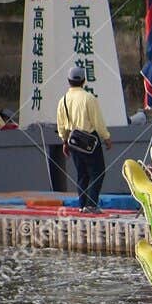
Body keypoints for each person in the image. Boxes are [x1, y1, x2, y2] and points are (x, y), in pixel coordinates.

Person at [55, 67, 111, 213]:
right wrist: (106, 138)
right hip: (90, 142)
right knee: (97, 172)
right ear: (83, 81)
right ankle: (91, 205)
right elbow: (97, 121)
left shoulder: (63, 100)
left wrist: (64, 141)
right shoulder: (89, 98)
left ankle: (82, 205)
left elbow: (61, 124)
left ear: (69, 81)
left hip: (73, 142)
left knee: (82, 174)